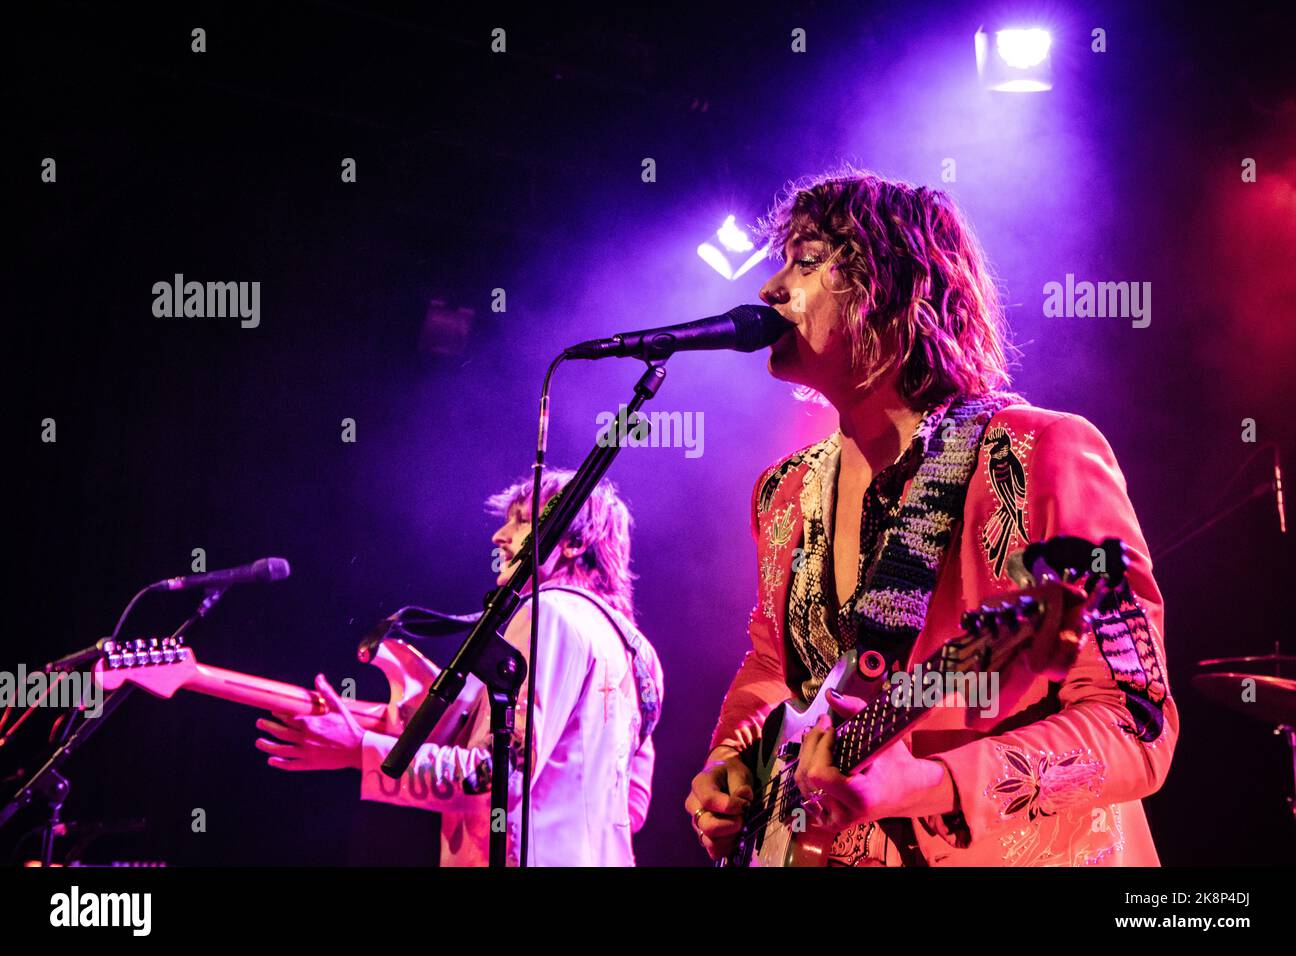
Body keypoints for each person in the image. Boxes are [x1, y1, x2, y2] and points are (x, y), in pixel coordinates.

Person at [685, 168, 1177, 866]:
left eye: (807, 260)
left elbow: (1137, 718)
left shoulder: (1040, 453)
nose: (768, 289)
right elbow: (773, 665)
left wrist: (927, 783)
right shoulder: (784, 492)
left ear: (895, 289)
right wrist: (733, 766)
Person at [256, 470, 664, 866]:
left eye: (521, 522)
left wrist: (359, 750)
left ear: (574, 542)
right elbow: (632, 806)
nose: (499, 537)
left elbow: (498, 776)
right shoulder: (640, 655)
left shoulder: (550, 613)